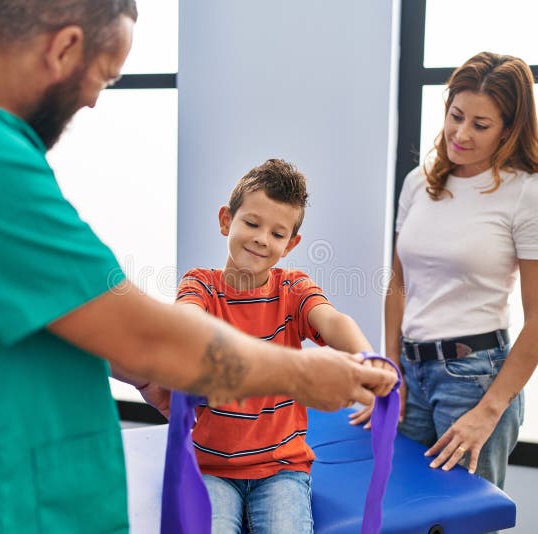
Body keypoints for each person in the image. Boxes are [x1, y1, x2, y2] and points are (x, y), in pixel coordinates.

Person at [0, 1, 396, 532]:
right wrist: (305, 374)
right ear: (65, 46)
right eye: (104, 77)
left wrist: (141, 372)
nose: (92, 101)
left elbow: (48, 307)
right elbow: (143, 332)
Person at [171, 159, 398, 534]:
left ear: (291, 244)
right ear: (226, 220)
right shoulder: (200, 285)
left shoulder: (293, 289)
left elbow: (332, 320)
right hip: (210, 466)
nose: (262, 238)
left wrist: (367, 360)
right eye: (252, 223)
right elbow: (186, 324)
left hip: (281, 469)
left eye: (277, 234)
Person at [384, 51, 538, 490]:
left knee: (464, 519)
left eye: (480, 125)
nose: (460, 133)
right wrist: (390, 370)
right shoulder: (420, 181)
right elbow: (398, 284)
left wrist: (488, 411)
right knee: (400, 511)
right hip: (410, 372)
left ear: (509, 129)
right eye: (456, 115)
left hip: (474, 382)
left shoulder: (527, 196)